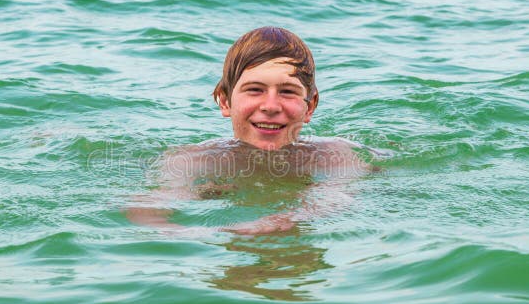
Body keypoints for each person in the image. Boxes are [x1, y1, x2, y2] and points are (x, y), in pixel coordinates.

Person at [126, 26, 372, 235]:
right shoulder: (195, 161)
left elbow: (337, 199)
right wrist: (193, 235)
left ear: (311, 106)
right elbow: (146, 207)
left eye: (287, 91)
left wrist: (280, 220)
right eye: (255, 89)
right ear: (225, 101)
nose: (271, 106)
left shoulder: (332, 155)